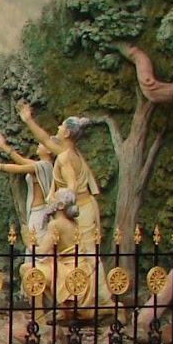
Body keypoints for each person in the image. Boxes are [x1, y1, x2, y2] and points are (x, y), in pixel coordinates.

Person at [18, 102, 102, 254]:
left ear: (67, 134)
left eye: (61, 126)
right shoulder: (69, 152)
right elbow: (46, 140)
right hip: (84, 206)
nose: (58, 128)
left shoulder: (64, 157)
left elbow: (72, 185)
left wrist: (63, 208)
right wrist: (28, 120)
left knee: (84, 253)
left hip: (80, 209)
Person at [0, 133, 56, 238]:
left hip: (39, 212)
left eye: (42, 143)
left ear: (49, 150)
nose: (38, 144)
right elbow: (21, 161)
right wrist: (3, 145)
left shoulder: (44, 166)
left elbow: (19, 169)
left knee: (35, 244)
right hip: (35, 211)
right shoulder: (43, 165)